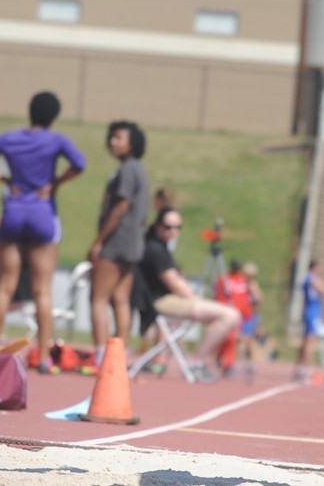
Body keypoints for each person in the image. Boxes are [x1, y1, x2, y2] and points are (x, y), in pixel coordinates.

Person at [0, 90, 87, 372]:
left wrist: (4, 178)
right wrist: (55, 183)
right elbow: (79, 164)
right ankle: (43, 357)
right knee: (42, 291)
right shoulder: (56, 140)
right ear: (54, 116)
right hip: (43, 213)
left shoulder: (10, 139)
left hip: (14, 213)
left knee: (5, 286)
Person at [134, 207, 241, 381]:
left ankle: (196, 361)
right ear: (158, 226)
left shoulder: (160, 247)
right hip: (161, 302)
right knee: (230, 315)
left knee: (228, 315)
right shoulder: (154, 248)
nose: (173, 231)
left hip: (167, 299)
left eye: (177, 227)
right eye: (168, 227)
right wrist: (195, 301)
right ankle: (197, 362)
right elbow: (173, 282)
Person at [88, 120, 150, 367]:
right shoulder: (140, 170)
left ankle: (102, 353)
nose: (113, 142)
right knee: (121, 299)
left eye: (119, 138)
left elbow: (121, 206)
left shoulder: (127, 170)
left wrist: (99, 240)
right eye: (112, 137)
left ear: (132, 143)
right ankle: (118, 354)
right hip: (134, 243)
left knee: (98, 299)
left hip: (117, 241)